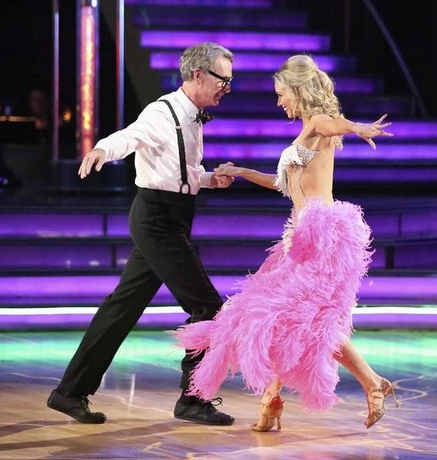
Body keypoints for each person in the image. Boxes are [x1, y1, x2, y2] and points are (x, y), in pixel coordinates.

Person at [171, 54, 398, 431]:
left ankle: (345, 387)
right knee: (288, 320)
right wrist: (242, 172)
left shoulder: (317, 123)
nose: (279, 102)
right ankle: (276, 399)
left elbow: (332, 123)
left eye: (281, 94)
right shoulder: (305, 133)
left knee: (293, 319)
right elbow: (284, 184)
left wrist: (359, 127)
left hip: (320, 237)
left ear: (297, 90)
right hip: (300, 236)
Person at [47, 42, 237, 425]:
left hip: (173, 216)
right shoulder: (162, 112)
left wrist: (209, 179)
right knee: (208, 307)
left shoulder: (193, 116)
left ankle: (69, 392)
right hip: (156, 219)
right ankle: (193, 399)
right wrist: (102, 150)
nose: (226, 88)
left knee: (122, 306)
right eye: (223, 80)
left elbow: (182, 174)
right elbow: (129, 137)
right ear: (199, 74)